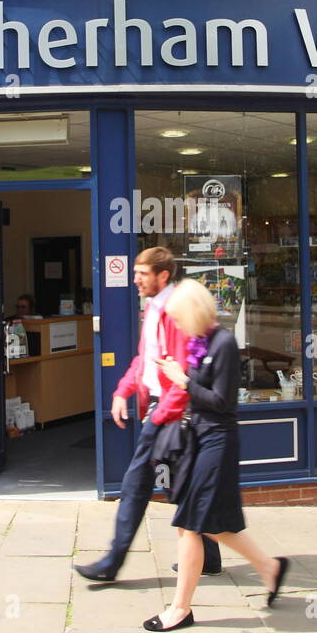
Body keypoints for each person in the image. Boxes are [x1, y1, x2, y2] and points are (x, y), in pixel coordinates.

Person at [143, 278, 289, 632]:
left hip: (218, 442)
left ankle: (180, 609)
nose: (176, 324)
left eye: (179, 317)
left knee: (191, 526)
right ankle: (270, 568)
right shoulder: (200, 341)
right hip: (200, 439)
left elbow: (224, 402)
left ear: (193, 311)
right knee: (210, 525)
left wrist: (182, 381)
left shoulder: (223, 343)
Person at [74, 248, 222, 582]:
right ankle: (209, 557)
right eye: (136, 272)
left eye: (143, 273)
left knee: (136, 484)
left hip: (172, 411)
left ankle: (112, 562)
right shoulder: (153, 308)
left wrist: (158, 416)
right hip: (161, 408)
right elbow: (145, 359)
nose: (136, 279)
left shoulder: (176, 310)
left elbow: (183, 374)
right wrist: (121, 391)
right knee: (182, 488)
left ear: (163, 276)